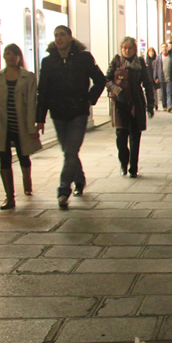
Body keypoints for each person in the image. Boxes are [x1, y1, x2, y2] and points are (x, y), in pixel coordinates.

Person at [36, 25, 105, 209]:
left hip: (78, 113)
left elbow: (100, 80)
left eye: (62, 35)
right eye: (56, 35)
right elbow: (42, 91)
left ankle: (64, 189)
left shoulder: (83, 58)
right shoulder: (49, 62)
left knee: (70, 150)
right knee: (69, 151)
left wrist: (89, 99)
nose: (59, 38)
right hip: (58, 113)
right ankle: (80, 179)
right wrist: (40, 118)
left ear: (70, 37)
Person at [0, 44, 42, 209]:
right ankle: (10, 197)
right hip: (1, 124)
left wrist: (32, 127)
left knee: (23, 155)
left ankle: (27, 182)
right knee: (4, 158)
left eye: (13, 54)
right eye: (7, 54)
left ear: (19, 56)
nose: (10, 57)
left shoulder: (28, 77)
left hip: (20, 123)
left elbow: (31, 104)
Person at [105, 37, 156, 178]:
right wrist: (116, 90)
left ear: (134, 49)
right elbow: (107, 79)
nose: (126, 51)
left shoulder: (140, 63)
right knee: (121, 136)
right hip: (120, 104)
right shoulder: (116, 61)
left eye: (129, 48)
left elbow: (148, 84)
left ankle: (133, 166)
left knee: (135, 136)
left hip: (136, 103)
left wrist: (151, 104)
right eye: (124, 48)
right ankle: (123, 162)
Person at [156, 42, 172, 112]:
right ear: (161, 48)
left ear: (167, 48)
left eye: (165, 47)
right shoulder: (159, 58)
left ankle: (169, 105)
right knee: (163, 92)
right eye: (163, 47)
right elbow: (156, 68)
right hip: (161, 78)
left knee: (169, 91)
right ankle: (164, 106)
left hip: (170, 77)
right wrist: (155, 77)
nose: (164, 48)